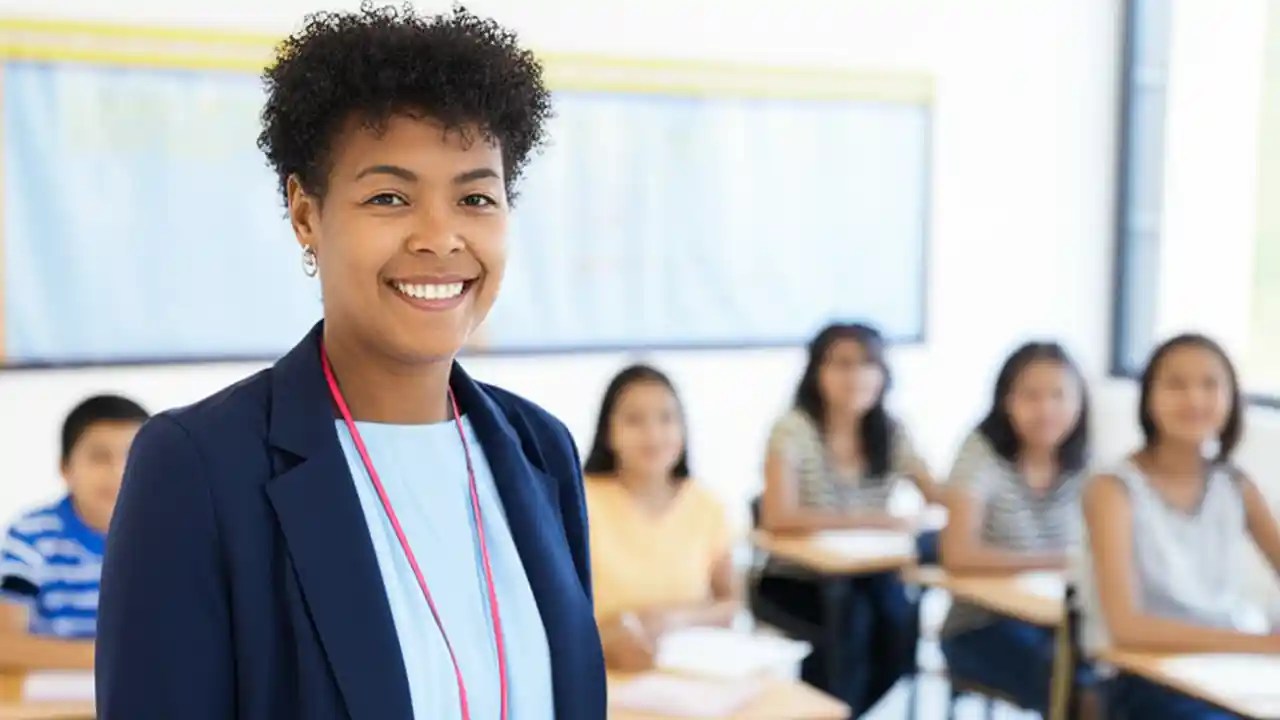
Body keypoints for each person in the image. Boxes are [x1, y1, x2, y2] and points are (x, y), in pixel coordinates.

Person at [95, 7, 605, 719]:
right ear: (306, 214)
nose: (440, 237)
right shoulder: (199, 468)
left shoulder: (539, 450)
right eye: (390, 197)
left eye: (476, 197)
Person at [1080, 334, 1280, 719]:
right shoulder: (1113, 488)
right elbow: (1127, 627)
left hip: (1232, 673)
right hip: (1142, 678)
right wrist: (1258, 644)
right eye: (1176, 385)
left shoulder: (1235, 484)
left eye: (1210, 385)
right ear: (1148, 398)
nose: (1195, 399)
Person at [757, 321, 941, 713]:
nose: (856, 376)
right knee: (850, 624)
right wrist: (875, 519)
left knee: (899, 631)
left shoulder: (891, 431)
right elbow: (778, 516)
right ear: (816, 372)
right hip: (798, 579)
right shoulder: (793, 429)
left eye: (867, 364)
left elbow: (937, 494)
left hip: (871, 576)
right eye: (841, 364)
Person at [938, 342, 1091, 715]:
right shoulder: (981, 453)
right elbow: (957, 555)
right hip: (982, 625)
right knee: (1067, 677)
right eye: (1032, 396)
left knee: (1113, 678)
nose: (1046, 410)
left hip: (1059, 621)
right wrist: (1056, 561)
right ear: (1007, 400)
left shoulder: (1084, 463)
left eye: (1059, 396)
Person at [582, 365, 741, 672]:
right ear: (608, 432)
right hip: (602, 672)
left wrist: (674, 620)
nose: (653, 434)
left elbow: (729, 605)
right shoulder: (580, 501)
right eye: (634, 420)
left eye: (666, 418)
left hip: (687, 672)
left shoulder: (706, 505)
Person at [0, 395, 148, 671]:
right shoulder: (31, 536)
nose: (118, 471)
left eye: (133, 456)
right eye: (99, 457)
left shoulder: (173, 537)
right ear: (65, 467)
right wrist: (108, 660)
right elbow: (5, 645)